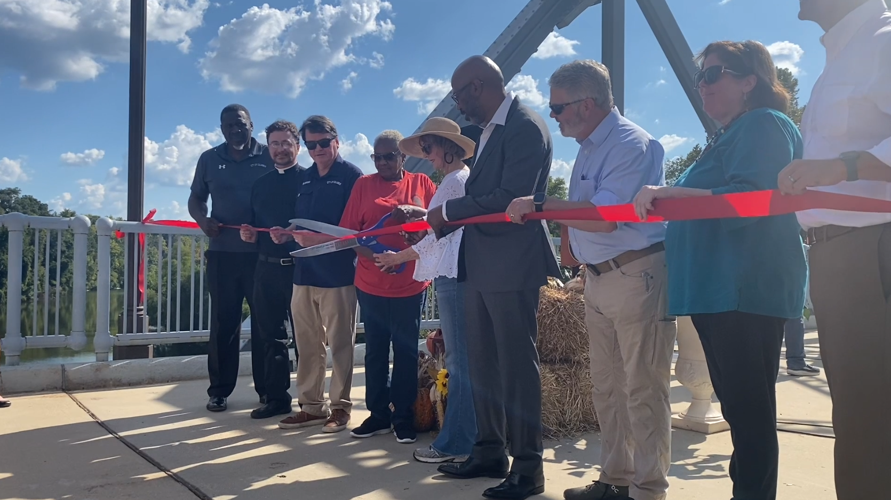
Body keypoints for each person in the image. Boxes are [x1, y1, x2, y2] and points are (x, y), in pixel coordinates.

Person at [633, 41, 808, 500]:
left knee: (749, 417)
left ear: (750, 80)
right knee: (741, 413)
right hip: (716, 292)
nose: (702, 85)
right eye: (700, 77)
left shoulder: (764, 124)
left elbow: (751, 200)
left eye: (714, 74)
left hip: (742, 291)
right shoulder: (731, 135)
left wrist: (667, 194)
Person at [508, 59, 675, 500]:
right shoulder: (590, 146)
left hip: (635, 273)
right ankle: (616, 479)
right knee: (607, 386)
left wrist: (541, 205)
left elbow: (603, 220)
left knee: (642, 387)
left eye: (558, 108)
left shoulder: (629, 143)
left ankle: (648, 490)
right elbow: (588, 220)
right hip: (602, 278)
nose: (554, 115)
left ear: (586, 104)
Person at [425, 55, 560, 500]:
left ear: (478, 86)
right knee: (483, 363)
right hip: (482, 263)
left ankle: (528, 469)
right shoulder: (487, 133)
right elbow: (485, 194)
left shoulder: (524, 125)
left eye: (460, 94)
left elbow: (508, 197)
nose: (458, 105)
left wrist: (448, 211)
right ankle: (489, 450)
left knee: (516, 367)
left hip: (511, 262)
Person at [776, 1, 891, 497]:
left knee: (868, 421)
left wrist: (843, 166)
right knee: (861, 419)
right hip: (842, 252)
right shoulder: (845, 53)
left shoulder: (881, 41)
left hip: (870, 247)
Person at [292, 130, 436, 443]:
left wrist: (412, 244)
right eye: (377, 157)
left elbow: (435, 227)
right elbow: (349, 235)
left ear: (403, 157)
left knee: (407, 351)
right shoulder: (363, 185)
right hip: (371, 283)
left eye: (389, 156)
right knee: (375, 352)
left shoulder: (423, 184)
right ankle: (379, 415)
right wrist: (378, 258)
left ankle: (404, 417)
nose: (383, 162)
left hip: (410, 284)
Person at [371, 117, 478, 463]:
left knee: (460, 362)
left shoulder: (452, 182)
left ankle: (457, 441)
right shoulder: (459, 179)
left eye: (428, 148)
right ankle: (467, 437)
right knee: (463, 360)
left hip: (453, 275)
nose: (427, 156)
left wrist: (397, 257)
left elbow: (436, 236)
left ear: (447, 147)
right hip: (457, 273)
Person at [275, 116, 363, 434]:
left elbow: (358, 231)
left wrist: (318, 240)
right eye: (311, 144)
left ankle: (340, 407)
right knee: (308, 343)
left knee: (340, 344)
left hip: (338, 274)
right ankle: (311, 406)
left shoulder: (352, 176)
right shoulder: (307, 178)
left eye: (323, 143)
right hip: (304, 272)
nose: (317, 149)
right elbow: (304, 224)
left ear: (336, 141)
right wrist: (287, 233)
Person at [189, 104, 274, 412]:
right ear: (221, 128)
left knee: (265, 322)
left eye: (240, 124)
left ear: (251, 124)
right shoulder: (209, 159)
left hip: (261, 255)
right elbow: (196, 198)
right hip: (222, 254)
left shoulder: (268, 155)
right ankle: (219, 391)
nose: (234, 130)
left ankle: (267, 391)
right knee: (225, 323)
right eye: (228, 126)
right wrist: (202, 220)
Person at [239, 120, 305, 419]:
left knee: (306, 337)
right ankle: (277, 398)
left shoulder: (309, 180)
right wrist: (249, 234)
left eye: (285, 143)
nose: (279, 149)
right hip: (265, 269)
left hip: (300, 269)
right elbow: (254, 224)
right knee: (270, 337)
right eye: (274, 144)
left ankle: (310, 399)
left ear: (297, 146)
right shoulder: (260, 184)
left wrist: (293, 234)